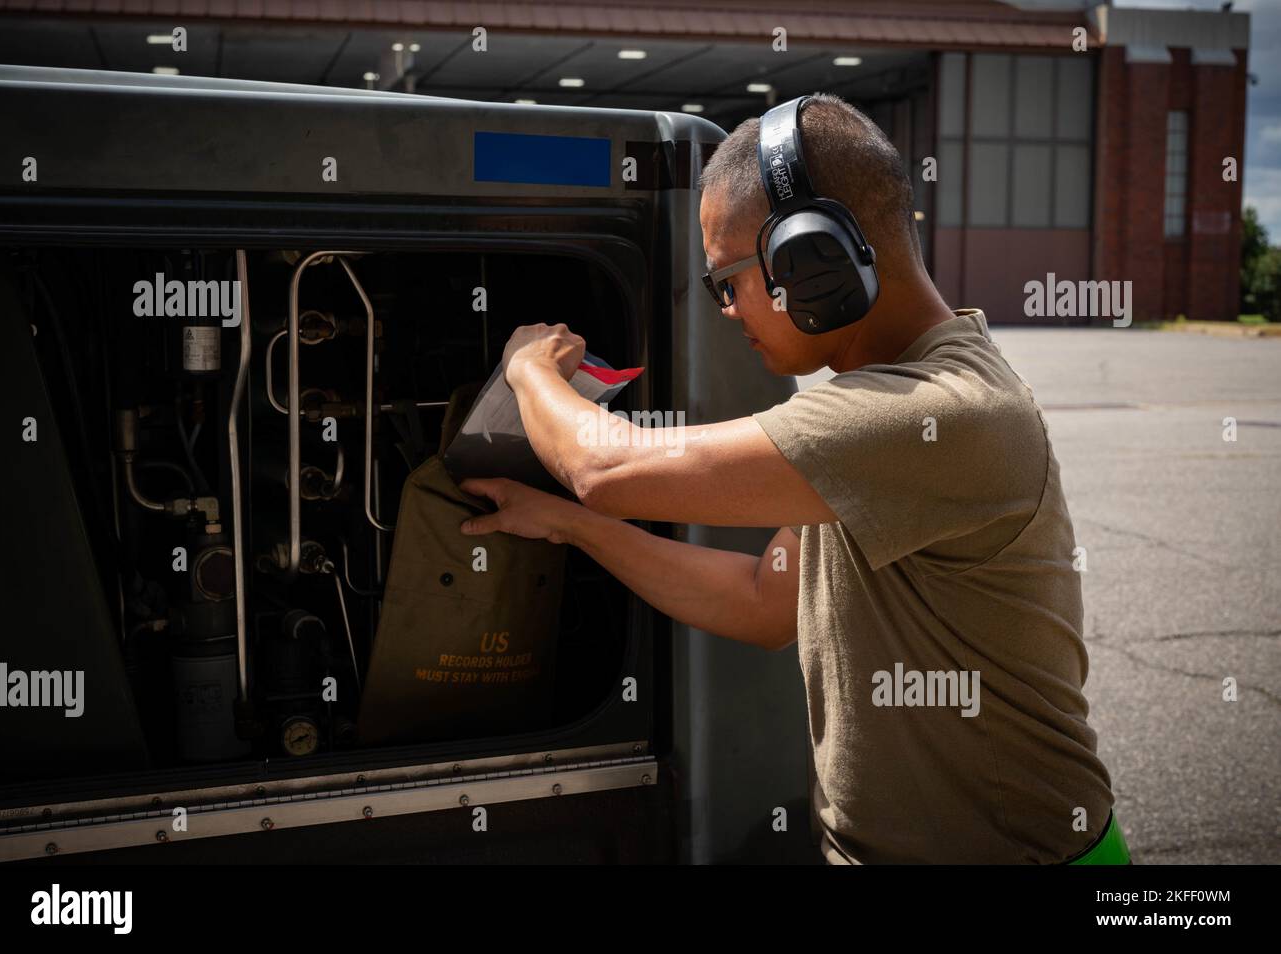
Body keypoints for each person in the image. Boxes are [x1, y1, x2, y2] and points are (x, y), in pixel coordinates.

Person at [458, 92, 1120, 864]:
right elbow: (765, 599)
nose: (727, 312)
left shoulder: (940, 413)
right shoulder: (884, 414)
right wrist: (568, 524)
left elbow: (606, 466)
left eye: (728, 282)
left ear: (812, 260)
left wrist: (529, 371)